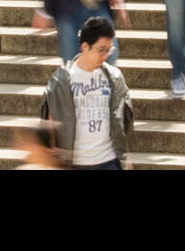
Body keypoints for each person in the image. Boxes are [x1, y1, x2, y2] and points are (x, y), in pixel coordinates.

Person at [40, 16, 134, 169]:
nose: (106, 56)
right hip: (76, 163)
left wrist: (126, 159)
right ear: (85, 47)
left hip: (109, 162)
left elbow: (123, 122)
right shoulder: (62, 80)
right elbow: (50, 122)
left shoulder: (115, 78)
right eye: (101, 50)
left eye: (109, 50)